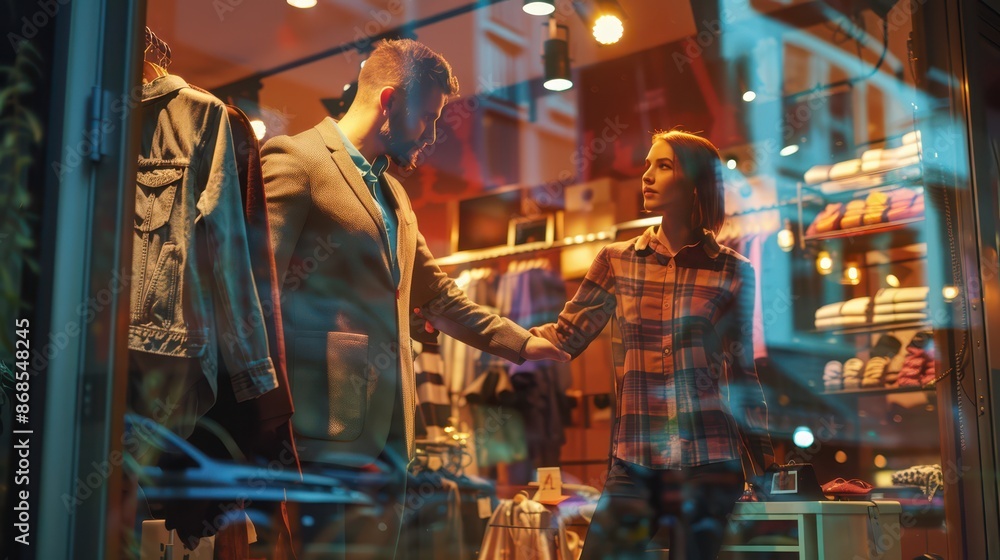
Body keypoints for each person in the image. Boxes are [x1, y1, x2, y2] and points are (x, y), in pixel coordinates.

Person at [261, 39, 568, 559]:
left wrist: (526, 343)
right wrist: (262, 415)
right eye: (426, 118)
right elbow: (255, 291)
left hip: (392, 431)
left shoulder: (395, 196)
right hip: (318, 433)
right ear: (388, 101)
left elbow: (439, 295)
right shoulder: (297, 160)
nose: (430, 135)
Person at [530, 130, 774, 560]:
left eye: (663, 166)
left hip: (709, 462)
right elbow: (565, 336)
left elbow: (741, 373)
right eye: (647, 165)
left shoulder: (734, 271)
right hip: (636, 460)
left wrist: (768, 467)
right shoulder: (617, 260)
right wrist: (481, 328)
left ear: (696, 182)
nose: (647, 176)